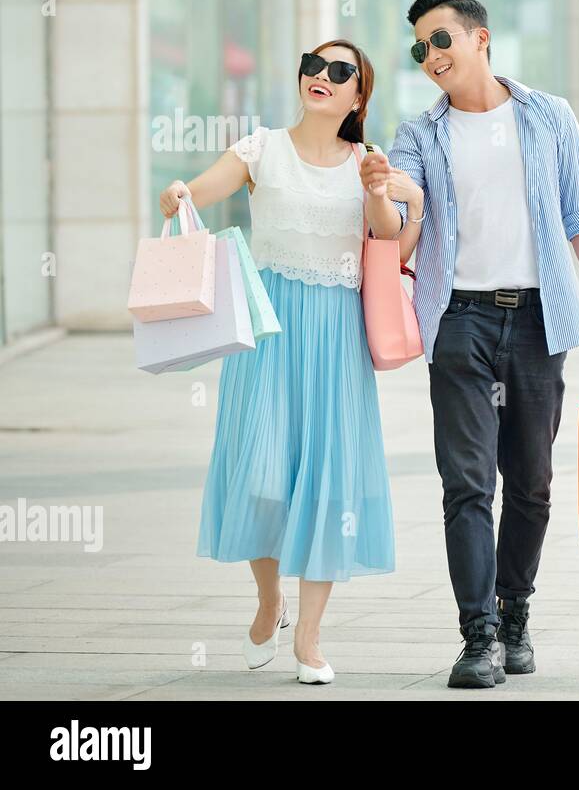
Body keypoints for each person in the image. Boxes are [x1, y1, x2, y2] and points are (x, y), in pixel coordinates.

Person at [362, 0, 579, 688]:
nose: (431, 57)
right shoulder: (418, 135)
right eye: (420, 48)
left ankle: (516, 613)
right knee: (466, 483)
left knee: (534, 484)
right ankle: (478, 634)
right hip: (459, 321)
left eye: (441, 41)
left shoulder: (549, 117)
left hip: (541, 321)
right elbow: (399, 232)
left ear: (481, 40)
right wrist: (385, 196)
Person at [161, 39, 401, 684]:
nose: (322, 77)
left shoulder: (367, 162)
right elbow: (206, 189)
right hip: (265, 332)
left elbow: (386, 234)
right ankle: (271, 600)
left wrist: (378, 189)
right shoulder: (260, 148)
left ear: (358, 96)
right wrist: (182, 191)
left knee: (329, 478)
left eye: (340, 72)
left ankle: (311, 640)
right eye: (313, 67)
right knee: (261, 474)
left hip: (334, 336)